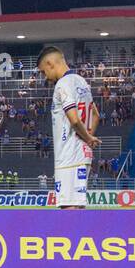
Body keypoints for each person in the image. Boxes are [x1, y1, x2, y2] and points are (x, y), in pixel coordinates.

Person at [38, 46, 101, 209]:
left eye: (44, 72)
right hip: (82, 154)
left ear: (50, 63)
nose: (45, 77)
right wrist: (88, 140)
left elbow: (73, 119)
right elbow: (96, 115)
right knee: (78, 205)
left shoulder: (63, 84)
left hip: (68, 155)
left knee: (68, 207)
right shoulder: (81, 81)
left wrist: (87, 138)